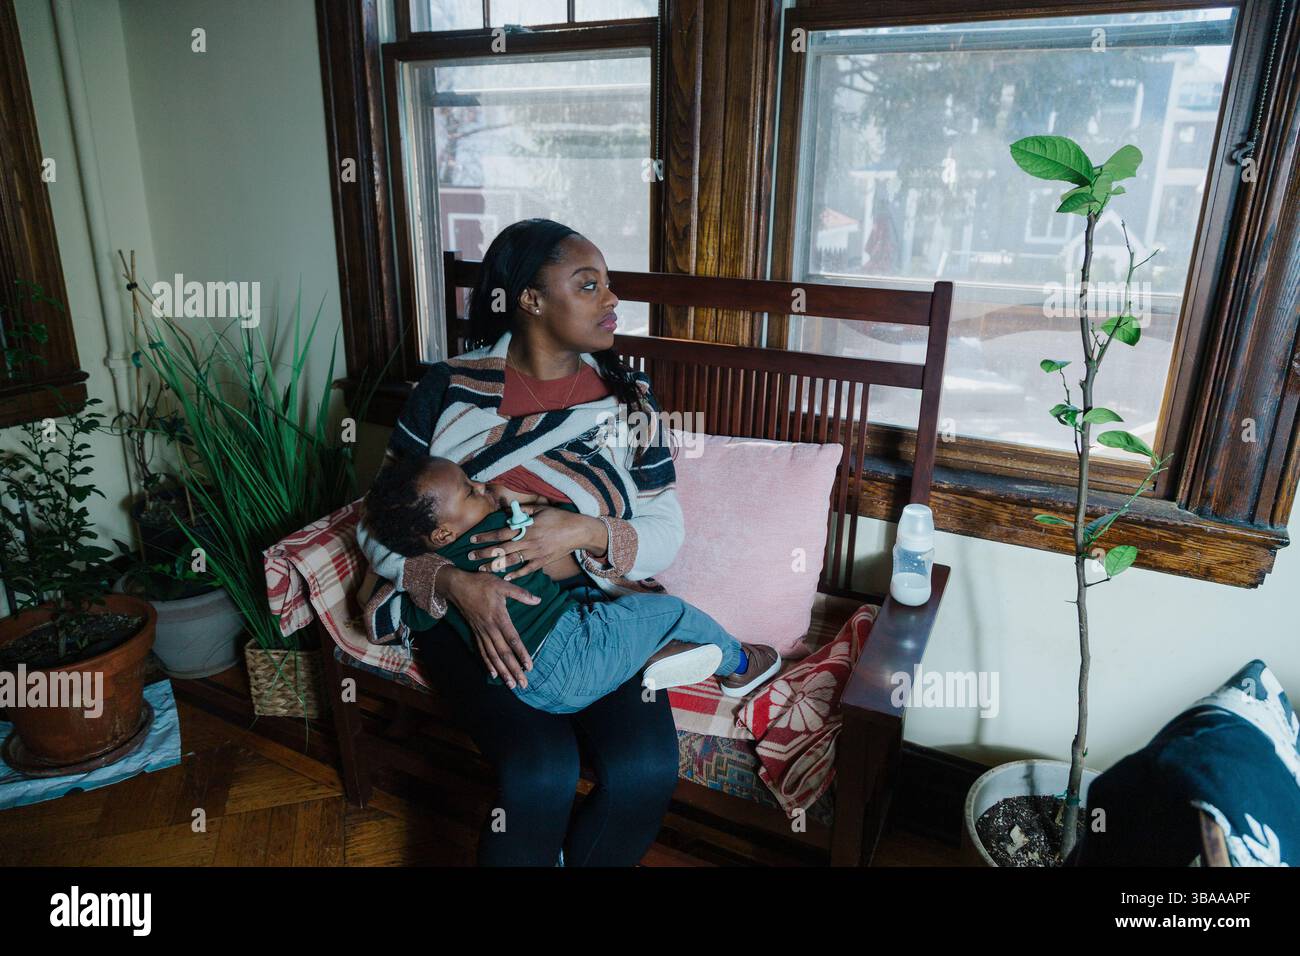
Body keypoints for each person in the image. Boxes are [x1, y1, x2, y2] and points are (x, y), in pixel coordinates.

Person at [355, 218, 720, 866]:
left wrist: (586, 530)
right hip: (479, 616)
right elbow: (379, 526)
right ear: (529, 298)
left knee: (644, 767)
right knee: (540, 770)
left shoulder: (628, 400)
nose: (612, 301)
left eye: (609, 285)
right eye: (588, 285)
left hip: (592, 614)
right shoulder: (449, 392)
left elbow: (668, 530)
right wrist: (449, 583)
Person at [363, 453, 781, 713]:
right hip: (576, 650)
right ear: (441, 533)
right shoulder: (496, 528)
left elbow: (407, 619)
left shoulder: (428, 575)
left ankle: (656, 655)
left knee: (620, 627)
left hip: (530, 690)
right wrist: (518, 500)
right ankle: (740, 664)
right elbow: (535, 518)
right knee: (670, 611)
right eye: (471, 493)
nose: (482, 487)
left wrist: (427, 583)